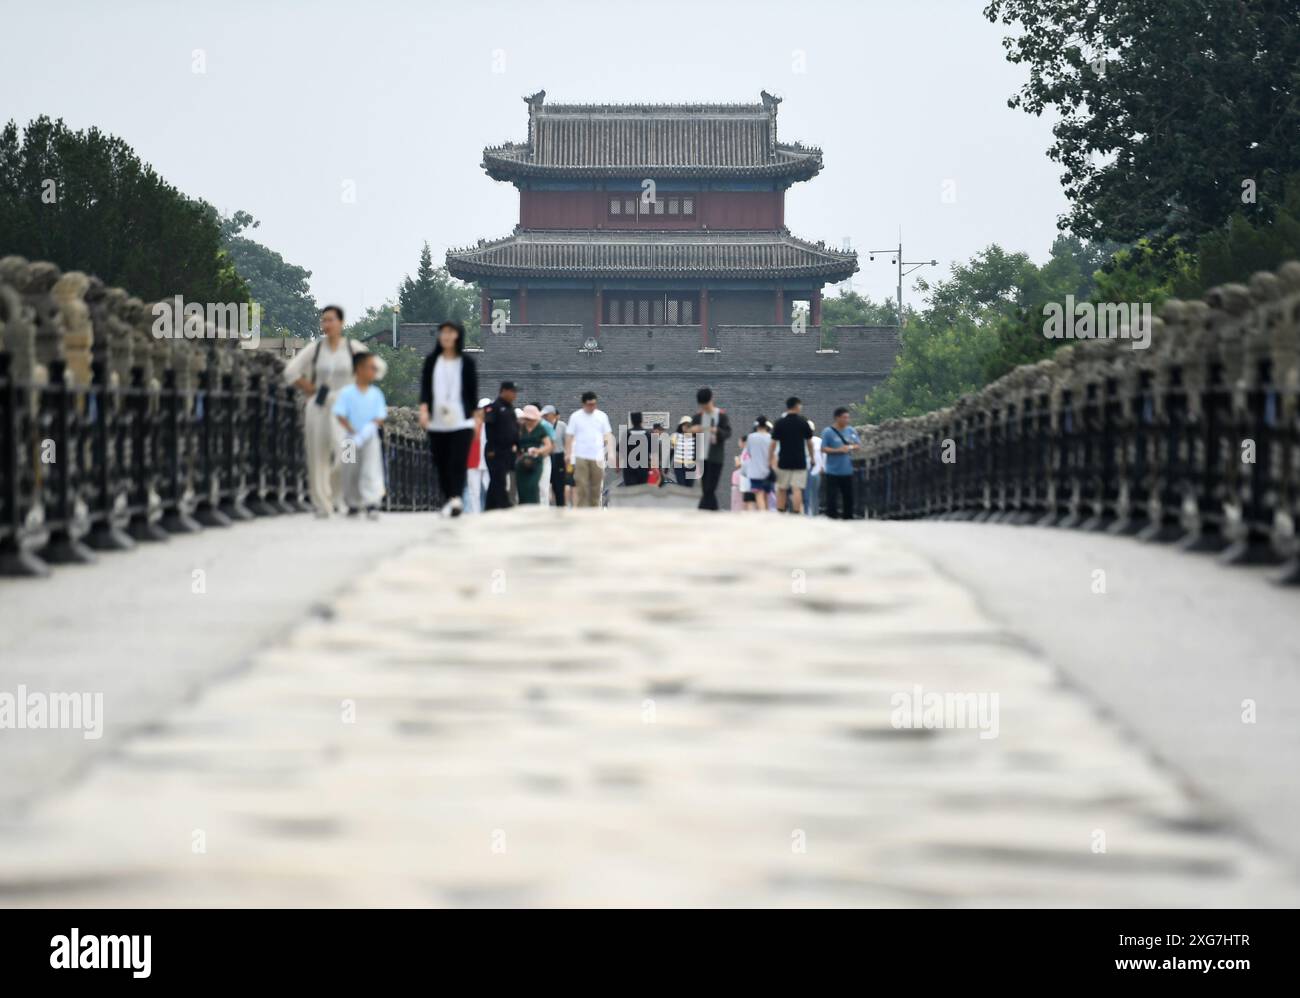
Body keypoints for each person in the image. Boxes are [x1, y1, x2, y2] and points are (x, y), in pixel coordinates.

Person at [284, 305, 388, 517]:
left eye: (331, 320)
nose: (327, 324)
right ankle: (321, 503)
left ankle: (340, 495)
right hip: (319, 406)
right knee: (317, 455)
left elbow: (379, 367)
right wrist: (309, 388)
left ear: (341, 322)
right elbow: (291, 371)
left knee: (346, 455)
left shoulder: (352, 348)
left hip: (345, 408)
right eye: (324, 320)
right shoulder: (316, 349)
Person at [418, 320, 479, 517]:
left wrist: (476, 418)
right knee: (441, 461)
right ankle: (449, 498)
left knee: (457, 461)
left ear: (457, 335)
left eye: (450, 332)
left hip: (462, 420)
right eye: (443, 332)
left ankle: (455, 498)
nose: (446, 335)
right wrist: (424, 410)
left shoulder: (467, 363)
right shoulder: (431, 361)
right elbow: (425, 389)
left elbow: (472, 392)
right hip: (438, 420)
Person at [332, 351, 387, 519]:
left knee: (371, 468)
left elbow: (380, 417)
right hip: (349, 438)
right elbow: (340, 414)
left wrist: (369, 429)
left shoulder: (376, 394)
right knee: (349, 470)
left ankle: (371, 502)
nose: (374, 371)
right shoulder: (346, 393)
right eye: (371, 367)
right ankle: (352, 502)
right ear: (359, 369)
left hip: (369, 438)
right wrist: (352, 430)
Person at [565, 390, 614, 508]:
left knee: (596, 486)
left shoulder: (602, 416)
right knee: (581, 485)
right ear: (583, 404)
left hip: (597, 457)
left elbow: (608, 435)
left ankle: (594, 510)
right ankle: (582, 511)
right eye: (589, 404)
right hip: (581, 456)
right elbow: (569, 436)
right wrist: (568, 453)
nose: (592, 407)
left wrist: (611, 453)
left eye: (594, 404)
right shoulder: (575, 417)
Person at [770, 396, 816, 514]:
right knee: (797, 488)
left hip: (784, 460)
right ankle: (796, 513)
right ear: (797, 406)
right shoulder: (803, 422)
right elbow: (809, 443)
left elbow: (773, 444)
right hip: (799, 460)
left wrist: (769, 459)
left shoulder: (779, 423)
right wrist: (812, 458)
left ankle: (780, 511)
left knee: (782, 488)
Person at [688, 387, 731, 511]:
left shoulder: (721, 416)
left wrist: (716, 430)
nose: (705, 408)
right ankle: (712, 512)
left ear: (712, 399)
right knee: (706, 488)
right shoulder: (697, 417)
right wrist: (692, 430)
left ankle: (702, 510)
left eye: (706, 405)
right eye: (702, 405)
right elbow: (689, 432)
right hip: (701, 457)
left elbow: (728, 433)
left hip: (716, 457)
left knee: (709, 488)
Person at [483, 381, 520, 510]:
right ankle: (504, 504)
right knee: (498, 478)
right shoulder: (492, 407)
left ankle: (490, 507)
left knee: (498, 479)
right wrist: (492, 448)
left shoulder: (510, 409)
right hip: (495, 449)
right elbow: (490, 429)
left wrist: (518, 446)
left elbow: (514, 430)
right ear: (504, 391)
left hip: (508, 450)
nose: (515, 395)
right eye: (513, 392)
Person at [821, 406, 862, 519]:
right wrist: (838, 450)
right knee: (832, 496)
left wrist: (850, 447)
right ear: (837, 418)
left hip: (847, 469)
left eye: (848, 418)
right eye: (844, 417)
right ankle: (832, 516)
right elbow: (824, 448)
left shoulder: (851, 431)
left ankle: (848, 516)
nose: (847, 420)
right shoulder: (828, 432)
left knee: (848, 495)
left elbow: (858, 445)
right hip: (832, 470)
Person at [515, 404, 554, 504]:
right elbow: (514, 443)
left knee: (533, 486)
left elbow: (549, 445)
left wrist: (538, 451)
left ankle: (536, 510)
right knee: (522, 487)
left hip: (536, 460)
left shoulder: (541, 429)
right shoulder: (520, 429)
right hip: (522, 460)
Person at [463, 397, 491, 514]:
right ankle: (475, 514)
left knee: (490, 488)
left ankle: (490, 513)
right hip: (472, 461)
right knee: (474, 491)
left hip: (489, 461)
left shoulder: (493, 424)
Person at [741, 417, 774, 511]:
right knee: (766, 495)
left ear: (757, 425)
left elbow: (749, 453)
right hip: (768, 471)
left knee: (759, 495)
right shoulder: (771, 438)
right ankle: (767, 514)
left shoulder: (751, 437)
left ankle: (763, 515)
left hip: (755, 471)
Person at [541, 405, 568, 506]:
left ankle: (561, 508)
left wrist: (567, 457)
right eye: (543, 415)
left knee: (559, 486)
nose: (545, 417)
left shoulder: (562, 425)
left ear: (553, 415)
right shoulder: (542, 425)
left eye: (547, 415)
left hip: (559, 456)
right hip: (546, 456)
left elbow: (568, 442)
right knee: (545, 484)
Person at [621, 412, 651, 486]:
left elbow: (621, 451)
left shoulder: (627, 434)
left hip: (629, 468)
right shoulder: (648, 434)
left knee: (631, 492)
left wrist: (617, 466)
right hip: (644, 468)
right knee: (642, 492)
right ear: (641, 421)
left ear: (632, 421)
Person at [805, 419, 823, 517]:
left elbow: (823, 455)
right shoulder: (801, 440)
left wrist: (823, 467)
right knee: (806, 494)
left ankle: (815, 514)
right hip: (804, 470)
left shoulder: (819, 441)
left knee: (815, 494)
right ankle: (806, 513)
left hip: (816, 471)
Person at [671, 416, 696, 487]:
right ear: (681, 426)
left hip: (691, 466)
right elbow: (671, 451)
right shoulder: (675, 436)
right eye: (684, 425)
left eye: (688, 425)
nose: (686, 427)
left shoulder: (695, 437)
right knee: (681, 486)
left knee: (689, 487)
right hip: (678, 466)